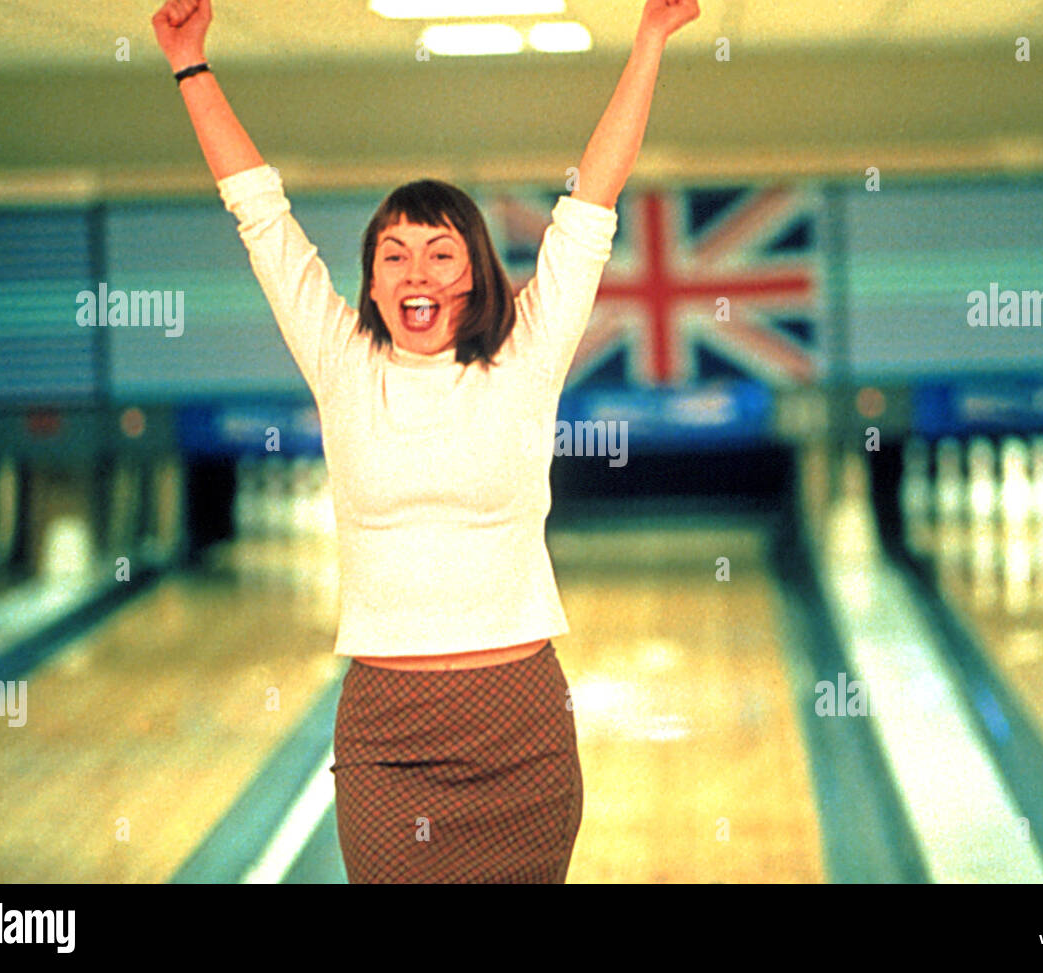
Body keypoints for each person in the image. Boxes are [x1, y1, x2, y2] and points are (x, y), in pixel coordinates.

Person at [152, 0, 700, 883]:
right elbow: (260, 214)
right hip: (387, 732)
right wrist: (190, 63)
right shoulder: (342, 364)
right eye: (394, 255)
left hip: (520, 725)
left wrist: (648, 43)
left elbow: (591, 206)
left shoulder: (526, 357)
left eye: (441, 253)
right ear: (369, 285)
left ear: (478, 273)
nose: (417, 272)